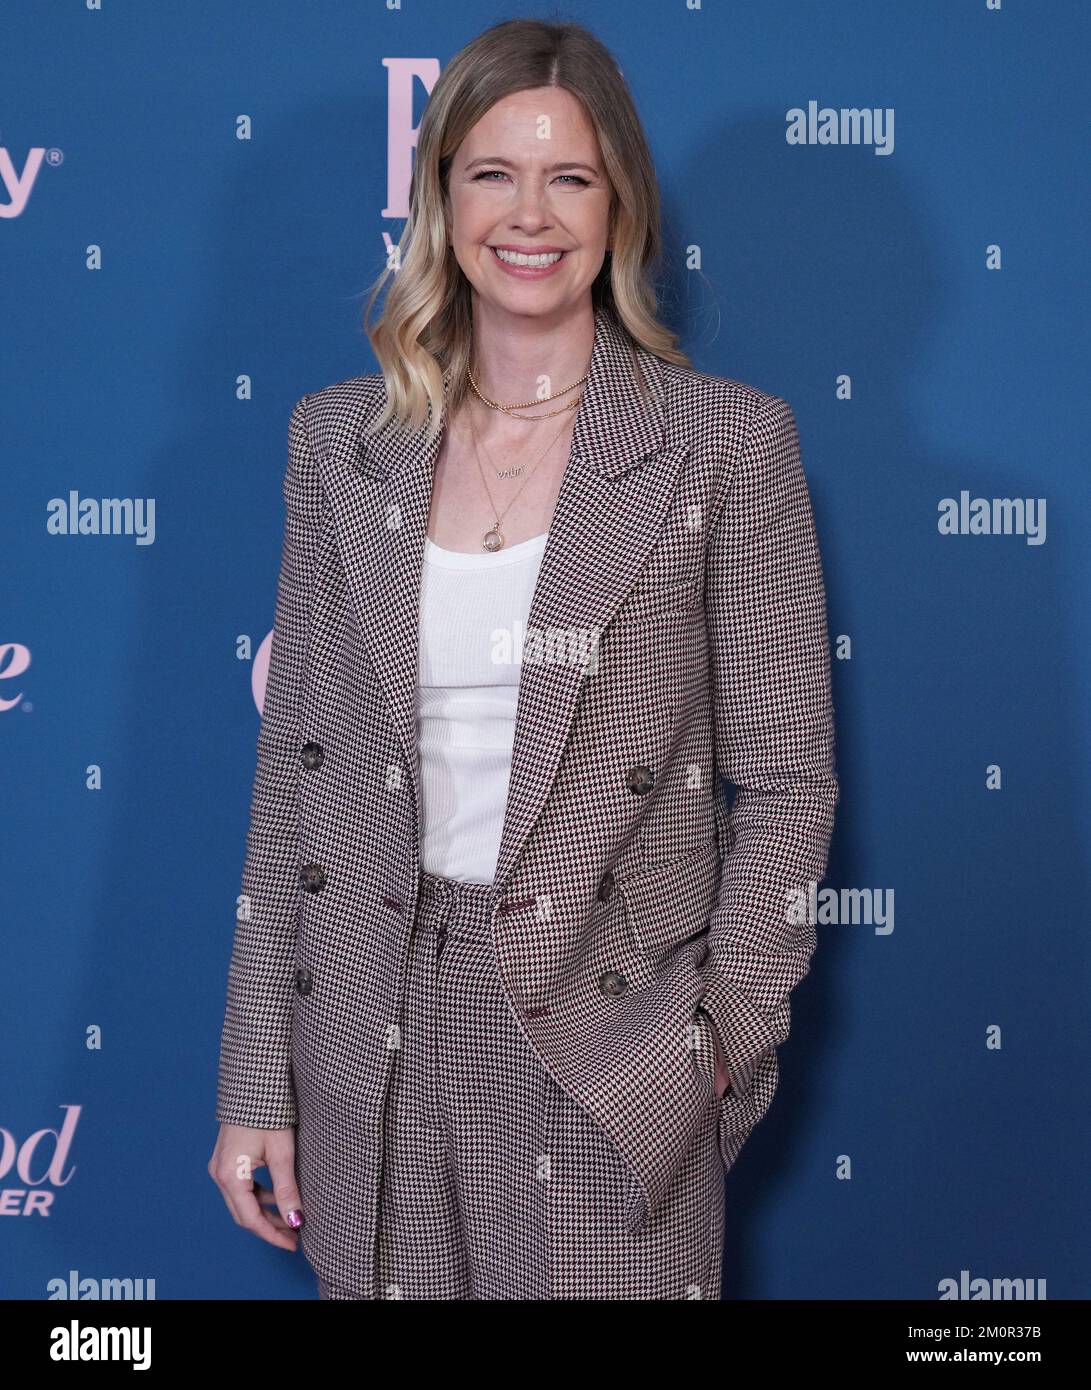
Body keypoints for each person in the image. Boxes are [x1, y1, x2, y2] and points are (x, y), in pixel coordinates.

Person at [209, 17, 839, 1301]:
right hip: (372, 1027)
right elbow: (298, 776)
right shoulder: (339, 443)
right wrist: (255, 1075)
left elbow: (786, 784)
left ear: (621, 205)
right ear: (441, 196)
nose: (529, 214)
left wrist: (716, 1042)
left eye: (570, 176)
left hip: (612, 1032)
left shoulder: (725, 446)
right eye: (492, 173)